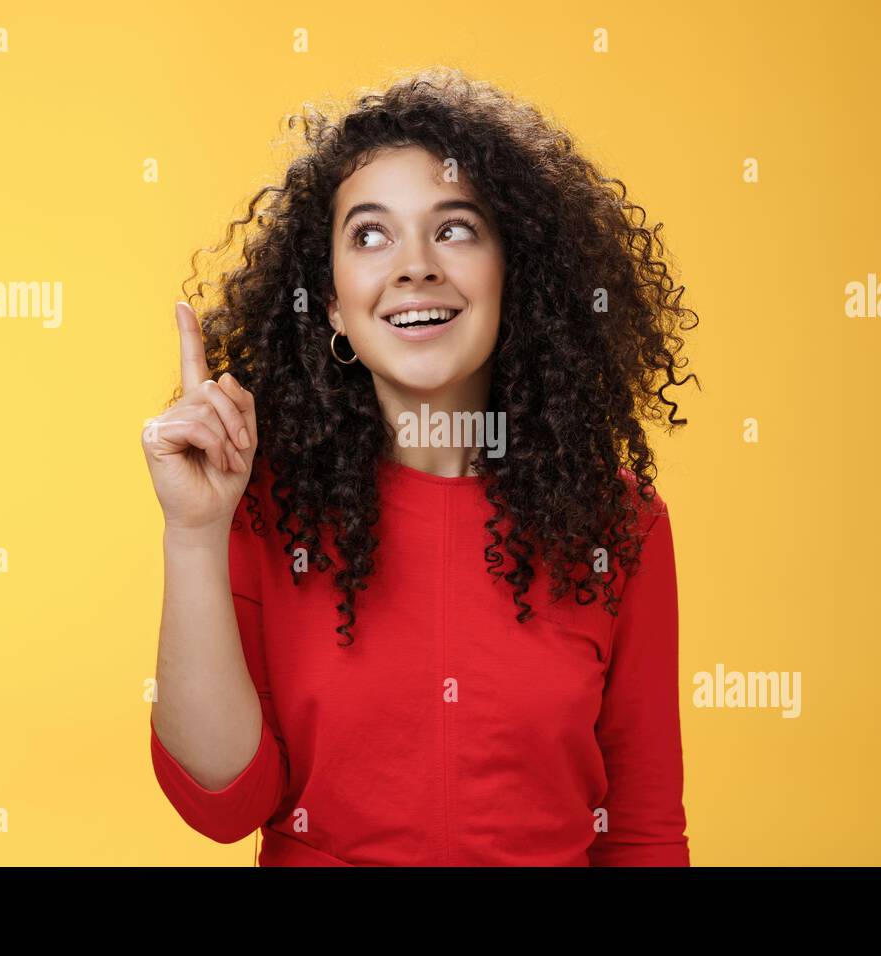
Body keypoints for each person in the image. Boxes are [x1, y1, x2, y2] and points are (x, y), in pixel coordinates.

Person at [141, 66, 701, 866]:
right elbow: (224, 805)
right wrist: (194, 535)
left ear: (516, 275)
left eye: (455, 229)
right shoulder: (261, 511)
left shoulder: (619, 525)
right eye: (370, 235)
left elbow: (644, 831)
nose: (414, 267)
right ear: (332, 301)